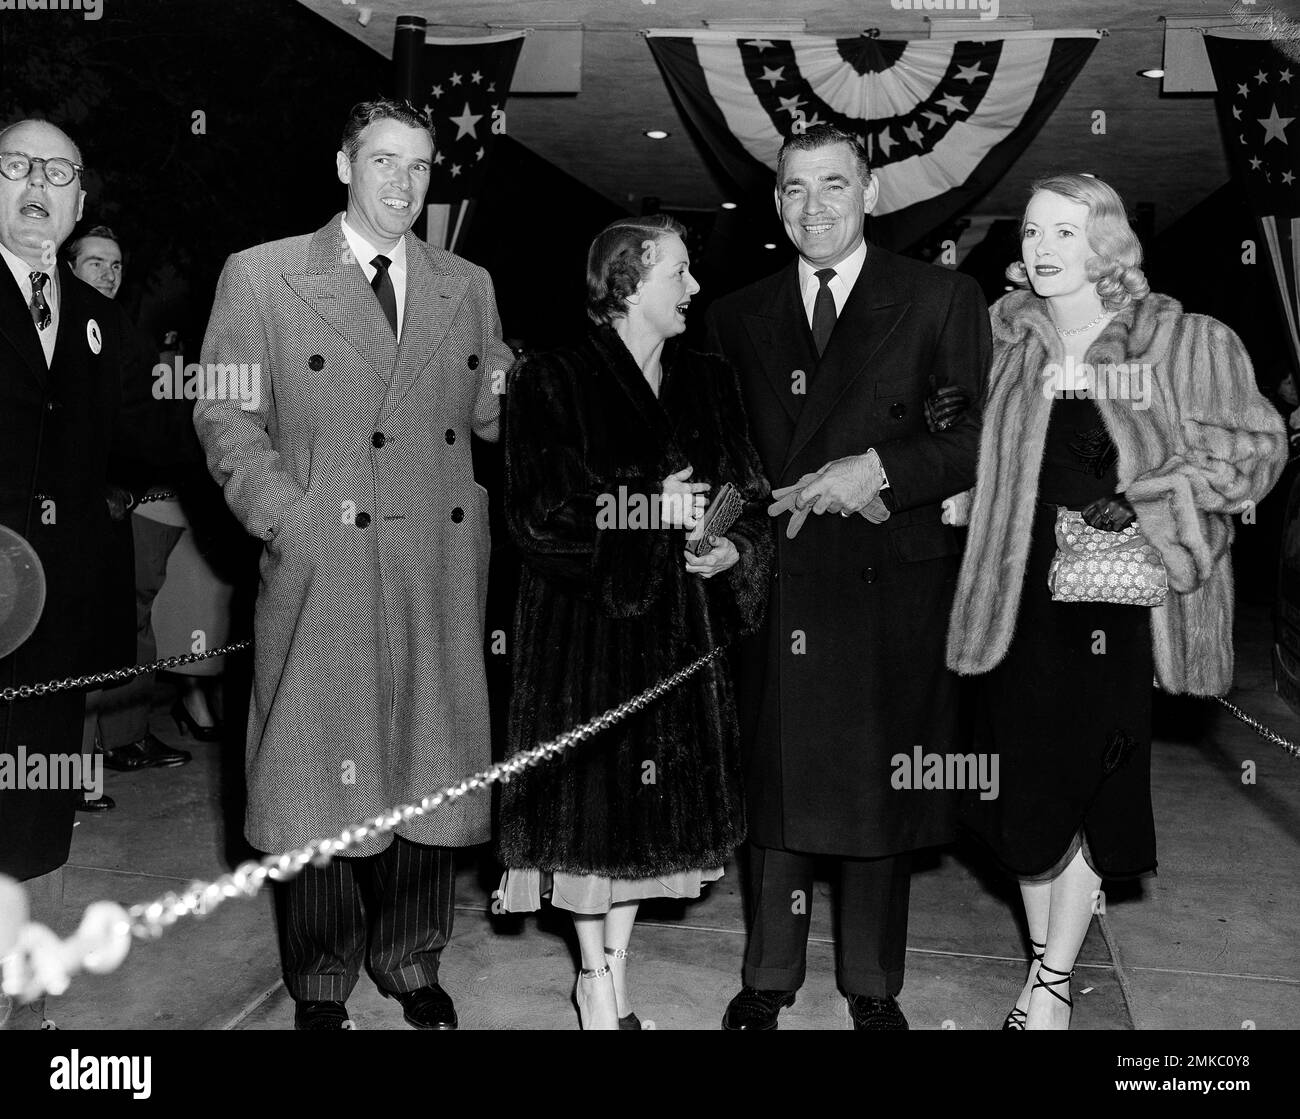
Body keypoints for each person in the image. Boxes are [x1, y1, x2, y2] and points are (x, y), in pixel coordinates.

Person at [194, 98, 513, 1031]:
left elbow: (491, 415)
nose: (404, 184)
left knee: (430, 764)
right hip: (325, 557)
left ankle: (412, 958)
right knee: (320, 773)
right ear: (343, 166)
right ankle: (323, 978)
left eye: (420, 166)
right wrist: (283, 517)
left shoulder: (469, 282)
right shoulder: (262, 277)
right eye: (384, 161)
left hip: (438, 563)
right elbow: (223, 412)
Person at [945, 173, 1287, 1029]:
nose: (1043, 247)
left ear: (1107, 244)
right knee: (1019, 793)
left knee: (1093, 787)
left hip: (1118, 610)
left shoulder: (1176, 340)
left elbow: (1253, 451)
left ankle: (1053, 985)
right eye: (1031, 231)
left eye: (1066, 231)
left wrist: (1148, 496)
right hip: (1017, 602)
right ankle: (1041, 962)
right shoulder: (1003, 342)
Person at [706, 123, 991, 1030]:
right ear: (776, 201)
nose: (815, 205)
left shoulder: (941, 296)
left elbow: (974, 438)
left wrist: (878, 468)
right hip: (778, 586)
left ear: (871, 195)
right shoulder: (734, 314)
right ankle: (769, 978)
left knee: (879, 796)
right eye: (796, 188)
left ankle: (872, 986)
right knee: (779, 798)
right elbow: (728, 461)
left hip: (889, 584)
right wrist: (709, 534)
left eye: (835, 185)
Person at [496, 215, 773, 1029]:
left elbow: (745, 496)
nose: (694, 288)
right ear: (628, 279)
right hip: (584, 643)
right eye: (679, 273)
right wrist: (653, 504)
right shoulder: (552, 377)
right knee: (591, 826)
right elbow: (540, 515)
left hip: (678, 645)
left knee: (642, 832)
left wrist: (731, 551)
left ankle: (613, 970)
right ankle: (593, 978)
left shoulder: (709, 379)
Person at [0, 120, 162, 1009]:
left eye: (57, 173)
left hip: (57, 612)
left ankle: (29, 989)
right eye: (17, 166)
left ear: (78, 200)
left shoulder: (101, 320)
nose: (37, 185)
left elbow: (154, 431)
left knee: (40, 796)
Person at [68, 226, 193, 799]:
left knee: (124, 628)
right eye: (95, 262)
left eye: (116, 264)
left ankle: (114, 746)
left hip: (128, 501)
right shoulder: (67, 328)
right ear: (69, 267)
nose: (109, 273)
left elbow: (139, 417)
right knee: (87, 635)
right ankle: (81, 766)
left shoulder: (117, 327)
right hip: (79, 512)